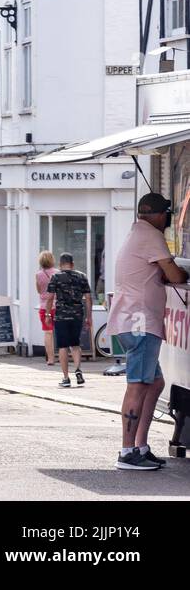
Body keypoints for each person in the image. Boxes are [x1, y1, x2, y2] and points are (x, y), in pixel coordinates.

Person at [109, 192, 189, 470]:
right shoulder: (151, 236)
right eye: (167, 214)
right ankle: (127, 452)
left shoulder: (138, 232)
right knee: (139, 384)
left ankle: (140, 446)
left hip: (133, 320)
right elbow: (176, 276)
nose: (168, 219)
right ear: (158, 215)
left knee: (154, 383)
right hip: (140, 322)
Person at [45, 252, 92, 389]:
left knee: (63, 347)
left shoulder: (56, 277)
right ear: (72, 264)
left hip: (61, 316)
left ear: (60, 265)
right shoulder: (82, 276)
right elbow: (88, 298)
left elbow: (50, 297)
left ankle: (66, 378)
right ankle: (77, 369)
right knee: (75, 344)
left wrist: (48, 314)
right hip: (77, 315)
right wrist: (89, 317)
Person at [35, 250, 58, 366]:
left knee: (48, 333)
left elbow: (39, 291)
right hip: (57, 306)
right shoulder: (57, 273)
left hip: (44, 307)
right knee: (61, 332)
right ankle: (66, 354)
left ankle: (50, 359)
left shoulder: (38, 275)